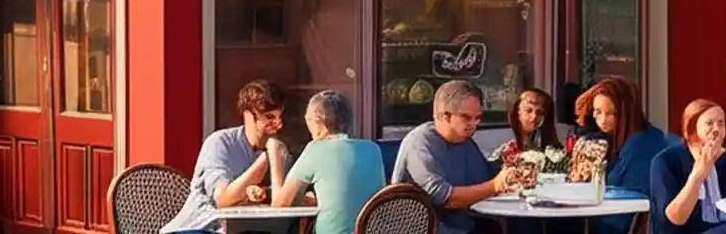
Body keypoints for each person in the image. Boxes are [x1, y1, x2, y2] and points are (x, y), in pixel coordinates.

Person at [391, 79, 520, 234]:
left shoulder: (464, 141)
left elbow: (484, 178)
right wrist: (496, 185)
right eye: (466, 117)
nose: (474, 124)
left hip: (465, 226)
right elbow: (446, 198)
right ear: (445, 116)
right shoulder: (420, 143)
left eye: (477, 118)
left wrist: (508, 162)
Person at [162, 80, 290, 234]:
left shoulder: (280, 150)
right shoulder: (220, 144)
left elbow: (280, 202)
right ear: (248, 115)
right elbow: (223, 200)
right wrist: (264, 161)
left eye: (280, 117)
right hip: (198, 228)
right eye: (269, 117)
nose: (278, 124)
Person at [271, 90, 384, 234]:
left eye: (308, 120)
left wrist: (275, 155)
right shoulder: (373, 150)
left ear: (319, 122)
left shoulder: (316, 149)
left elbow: (280, 203)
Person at [568, 77, 670, 234]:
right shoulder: (610, 140)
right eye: (597, 112)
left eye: (611, 113)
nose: (602, 120)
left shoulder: (642, 144)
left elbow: (632, 202)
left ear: (625, 112)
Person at [650, 99, 726, 234]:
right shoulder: (665, 161)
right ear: (692, 127)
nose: (716, 129)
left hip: (721, 226)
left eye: (721, 123)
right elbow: (675, 218)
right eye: (709, 123)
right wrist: (699, 173)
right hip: (682, 231)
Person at [490, 88, 562, 166]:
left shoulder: (549, 148)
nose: (534, 116)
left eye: (540, 112)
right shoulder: (505, 146)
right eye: (528, 110)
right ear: (518, 112)